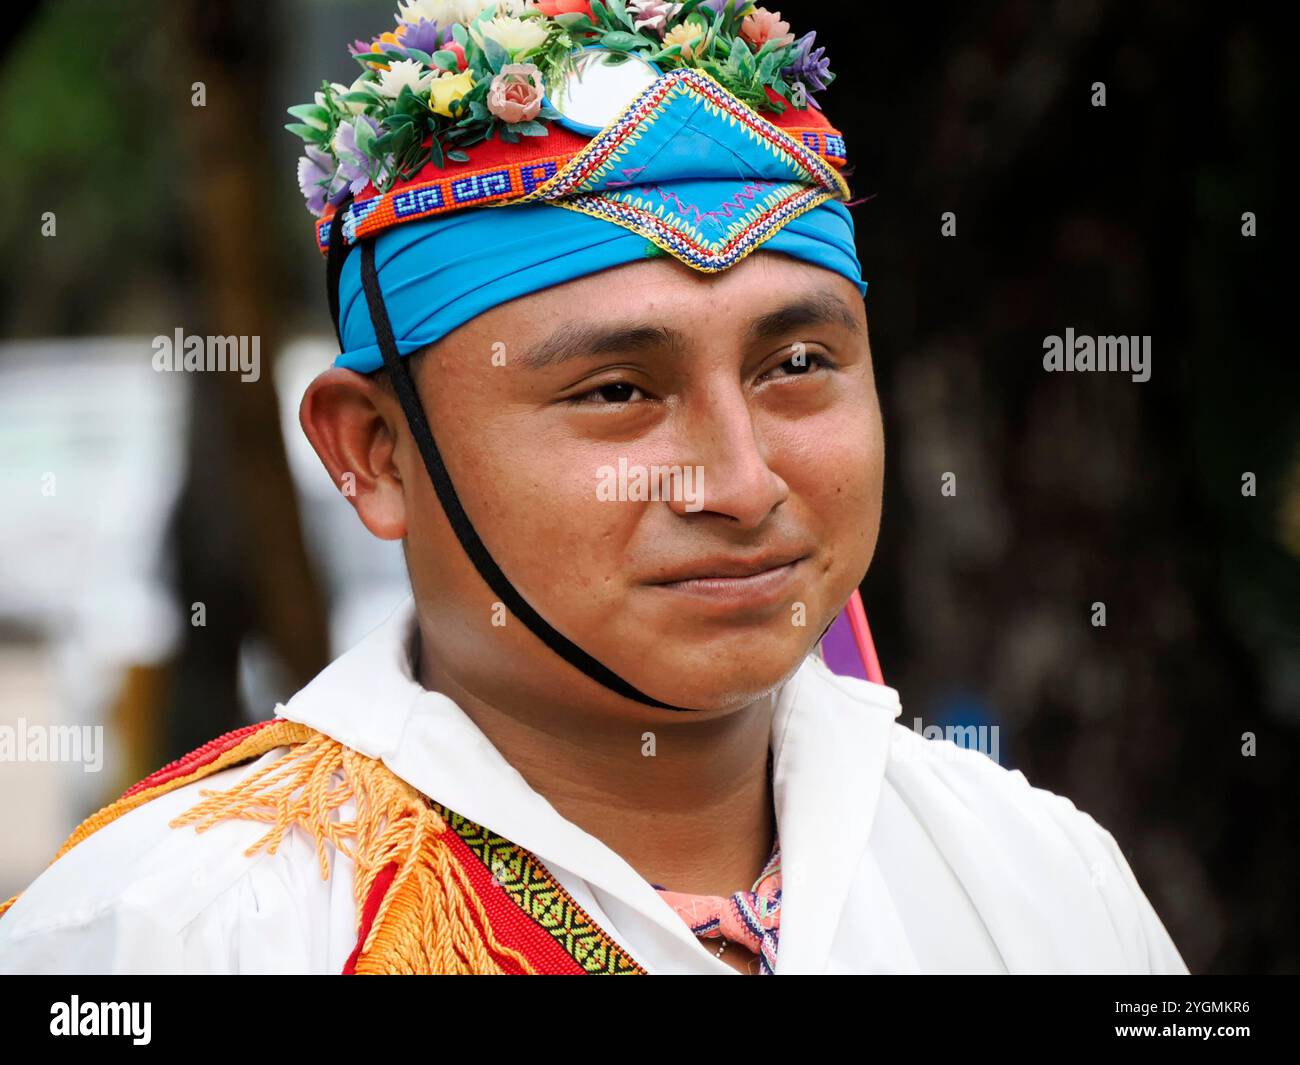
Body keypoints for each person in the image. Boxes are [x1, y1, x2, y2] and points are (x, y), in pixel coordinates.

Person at [0, 0, 1188, 975]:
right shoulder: (175, 932)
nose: (737, 480)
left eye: (796, 366)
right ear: (375, 453)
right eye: (617, 391)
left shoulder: (1036, 883)